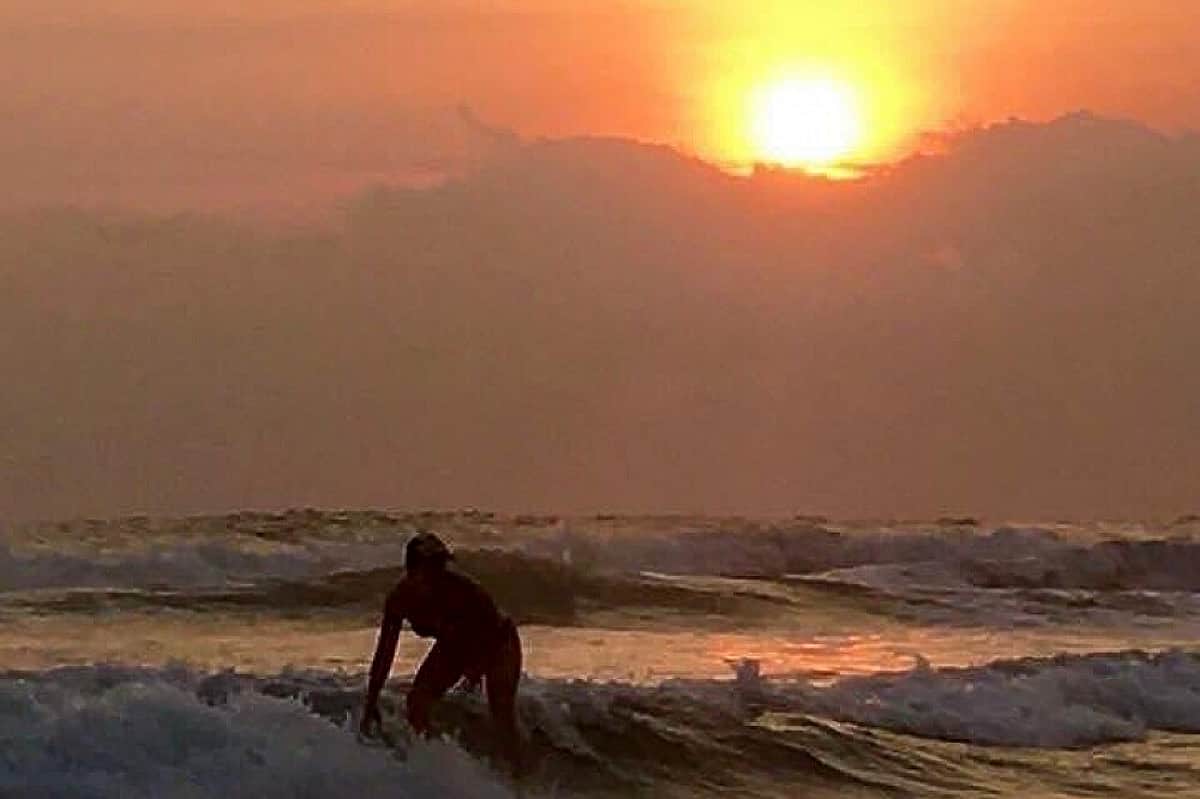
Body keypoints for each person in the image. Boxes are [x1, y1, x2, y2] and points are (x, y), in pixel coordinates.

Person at [360, 531, 523, 773]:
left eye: (441, 565)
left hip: (499, 641)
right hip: (454, 643)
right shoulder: (399, 599)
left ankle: (518, 772)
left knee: (501, 713)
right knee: (417, 701)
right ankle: (431, 767)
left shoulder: (464, 590)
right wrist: (371, 701)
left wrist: (474, 672)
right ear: (412, 570)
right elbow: (385, 652)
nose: (439, 573)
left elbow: (487, 629)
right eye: (431, 567)